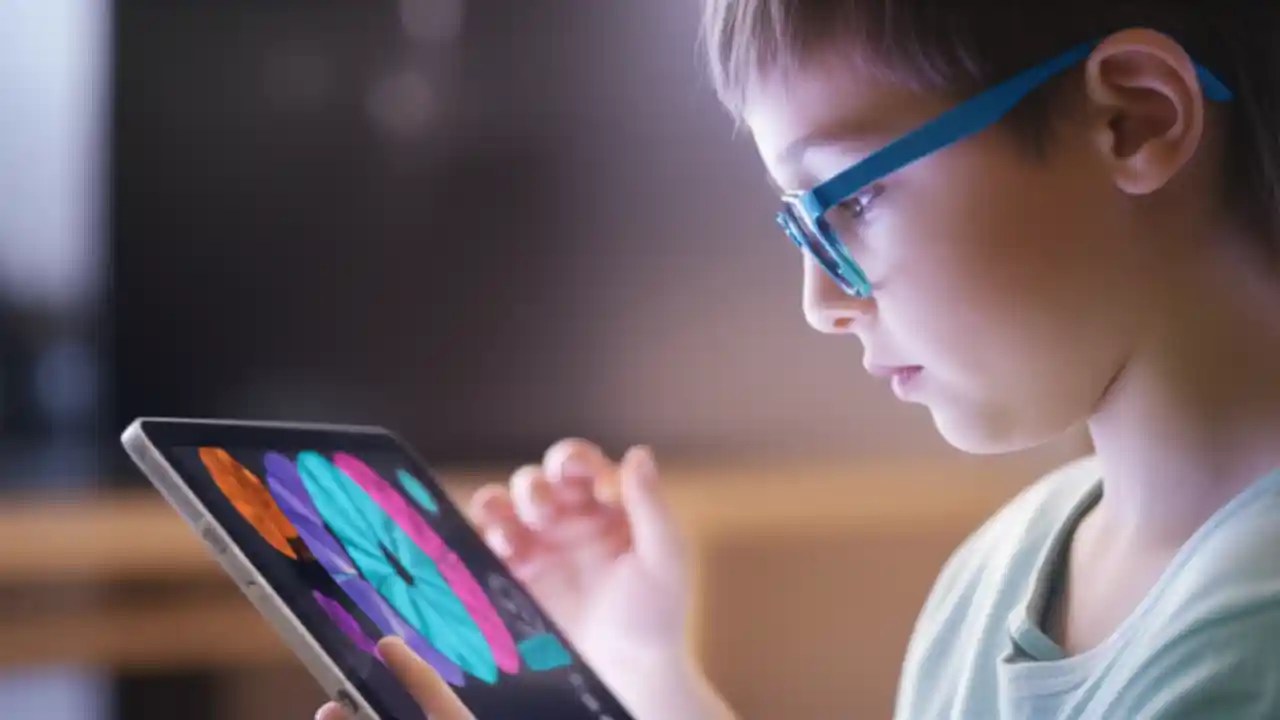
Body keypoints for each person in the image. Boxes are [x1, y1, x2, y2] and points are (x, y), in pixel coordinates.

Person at [319, 1, 1280, 717]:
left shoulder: (1253, 631)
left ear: (1132, 119)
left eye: (849, 201)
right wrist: (644, 671)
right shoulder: (1008, 568)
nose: (822, 303)